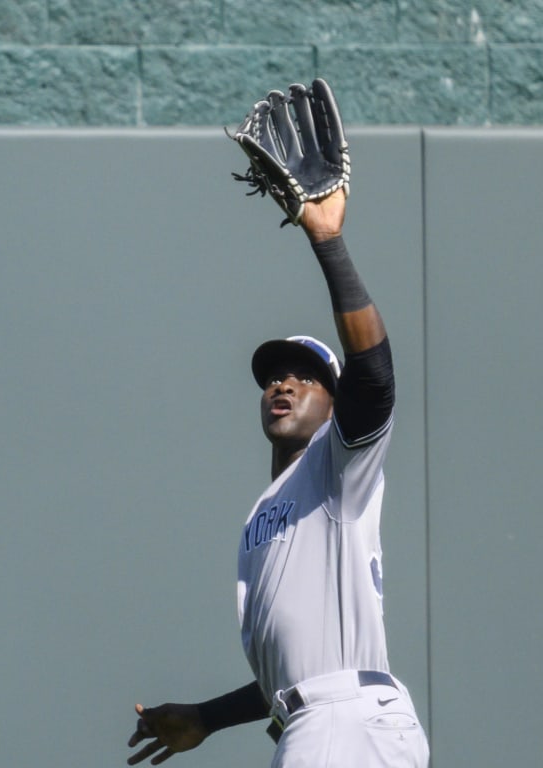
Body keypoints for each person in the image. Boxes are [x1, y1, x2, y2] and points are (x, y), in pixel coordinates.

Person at [126, 188, 430, 768]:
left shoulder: (336, 463)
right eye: (274, 378)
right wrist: (206, 718)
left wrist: (327, 241)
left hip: (349, 720)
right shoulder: (262, 513)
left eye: (305, 378)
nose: (282, 386)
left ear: (334, 403)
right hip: (316, 723)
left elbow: (374, 374)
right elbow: (293, 671)